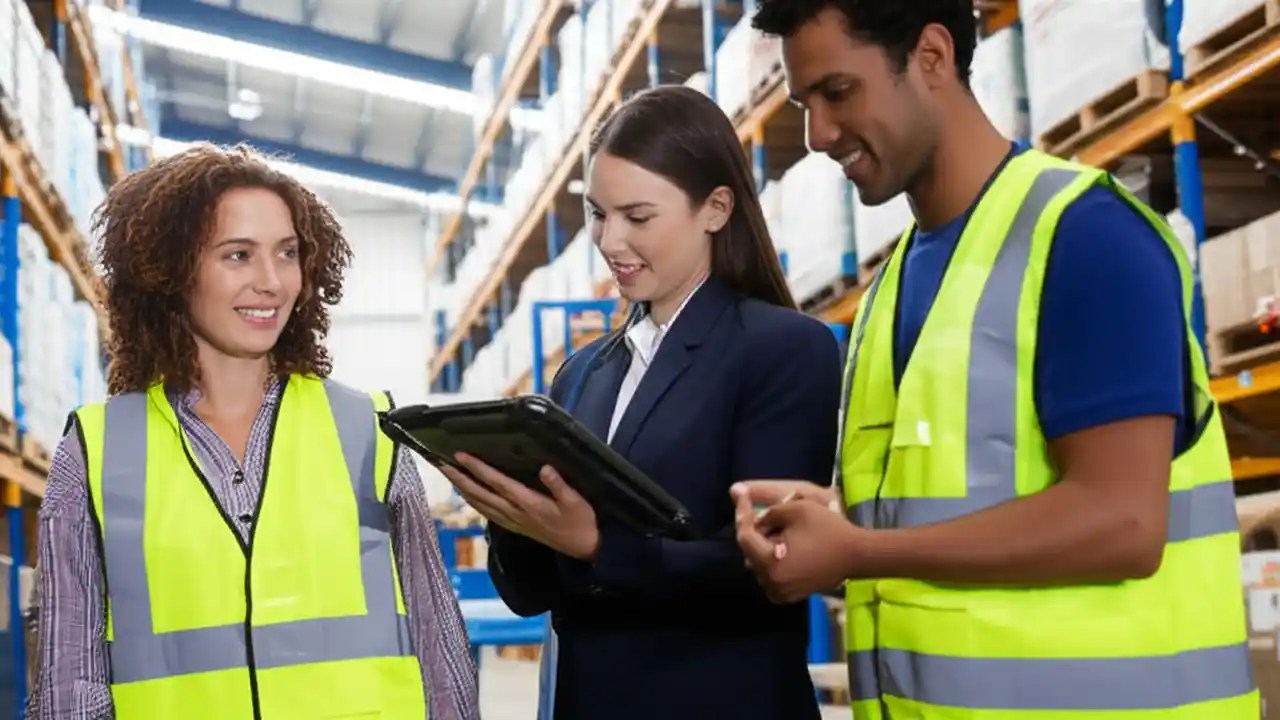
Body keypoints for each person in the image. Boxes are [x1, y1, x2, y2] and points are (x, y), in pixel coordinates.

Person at [731, 1, 1258, 718]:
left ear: (932, 57)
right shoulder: (891, 290)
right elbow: (953, 501)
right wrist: (834, 521)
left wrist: (861, 552)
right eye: (802, 104)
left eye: (838, 92)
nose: (818, 134)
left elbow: (1123, 523)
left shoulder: (1085, 236)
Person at [25, 144, 480, 719]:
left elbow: (440, 652)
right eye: (238, 255)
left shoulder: (369, 431)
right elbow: (71, 680)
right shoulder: (96, 450)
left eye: (286, 253)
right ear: (170, 271)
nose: (271, 281)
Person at [436, 85, 842, 719]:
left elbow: (769, 568)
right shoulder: (581, 376)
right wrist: (510, 513)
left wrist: (596, 545)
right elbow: (530, 593)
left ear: (715, 208)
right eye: (599, 214)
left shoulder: (784, 351)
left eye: (638, 216)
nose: (610, 240)